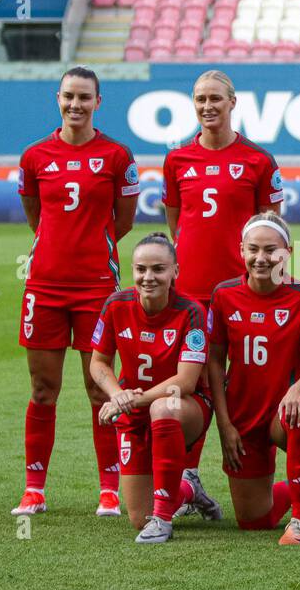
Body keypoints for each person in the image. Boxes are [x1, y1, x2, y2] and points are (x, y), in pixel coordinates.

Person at [11, 66, 140, 517]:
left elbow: (123, 222)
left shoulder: (118, 157)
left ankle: (108, 489)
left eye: (84, 97)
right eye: (68, 96)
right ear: (58, 98)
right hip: (44, 287)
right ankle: (34, 489)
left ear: (98, 102)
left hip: (98, 289)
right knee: (44, 388)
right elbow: (35, 215)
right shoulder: (34, 157)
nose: (75, 105)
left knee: (99, 388)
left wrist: (89, 248)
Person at [161, 69, 284, 507]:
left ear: (233, 103)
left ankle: (263, 465)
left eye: (215, 98)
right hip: (192, 293)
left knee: (245, 379)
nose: (207, 106)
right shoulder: (177, 160)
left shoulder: (258, 160)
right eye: (199, 99)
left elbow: (273, 230)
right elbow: (178, 224)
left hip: (241, 293)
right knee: (192, 383)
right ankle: (189, 475)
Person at [88, 233, 222, 543]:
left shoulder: (191, 312)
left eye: (158, 269)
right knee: (138, 518)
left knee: (165, 406)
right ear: (132, 270)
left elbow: (185, 383)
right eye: (141, 269)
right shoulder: (115, 304)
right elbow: (98, 363)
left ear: (175, 271)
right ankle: (189, 490)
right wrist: (115, 393)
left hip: (185, 406)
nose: (149, 277)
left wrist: (132, 400)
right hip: (133, 410)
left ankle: (163, 519)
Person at [207, 212, 300, 545]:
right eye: (253, 249)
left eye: (271, 250)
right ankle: (296, 488)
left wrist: (297, 390)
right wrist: (224, 424)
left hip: (284, 411)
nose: (261, 258)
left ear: (287, 251)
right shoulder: (223, 295)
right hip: (242, 415)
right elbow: (214, 363)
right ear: (241, 250)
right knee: (253, 522)